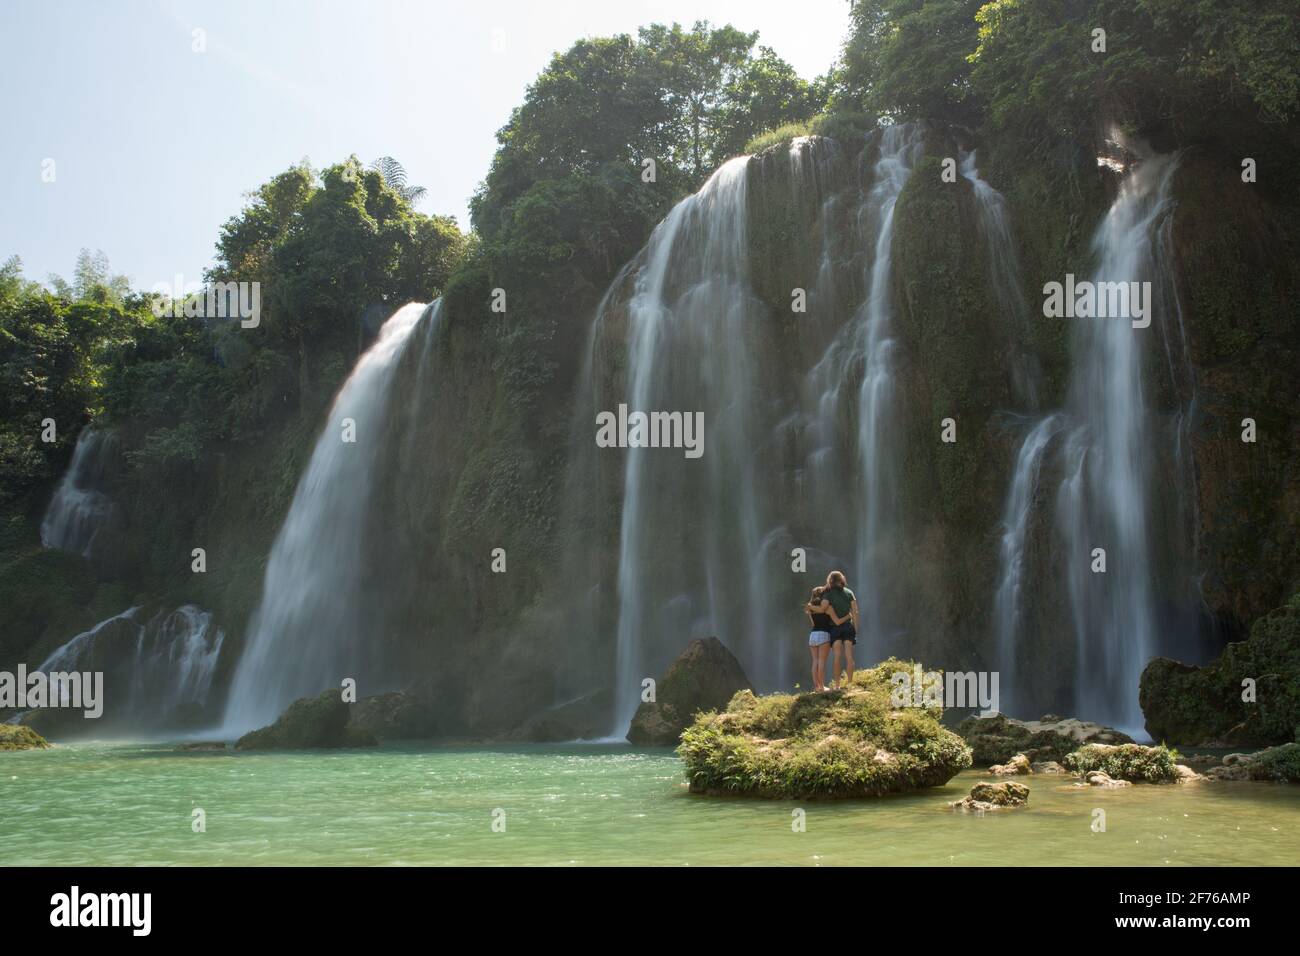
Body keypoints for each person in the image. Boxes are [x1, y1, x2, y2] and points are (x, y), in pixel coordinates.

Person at [823, 570, 859, 688]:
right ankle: (849, 683)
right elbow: (855, 611)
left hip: (835, 627)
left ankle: (837, 685)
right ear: (842, 580)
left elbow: (824, 606)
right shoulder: (849, 592)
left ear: (830, 581)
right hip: (848, 626)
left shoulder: (829, 593)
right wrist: (856, 627)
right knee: (849, 655)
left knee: (837, 656)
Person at [804, 585, 833, 691]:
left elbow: (813, 624)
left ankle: (817, 686)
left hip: (813, 635)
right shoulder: (825, 607)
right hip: (824, 633)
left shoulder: (810, 609)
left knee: (815, 661)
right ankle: (822, 686)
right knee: (821, 662)